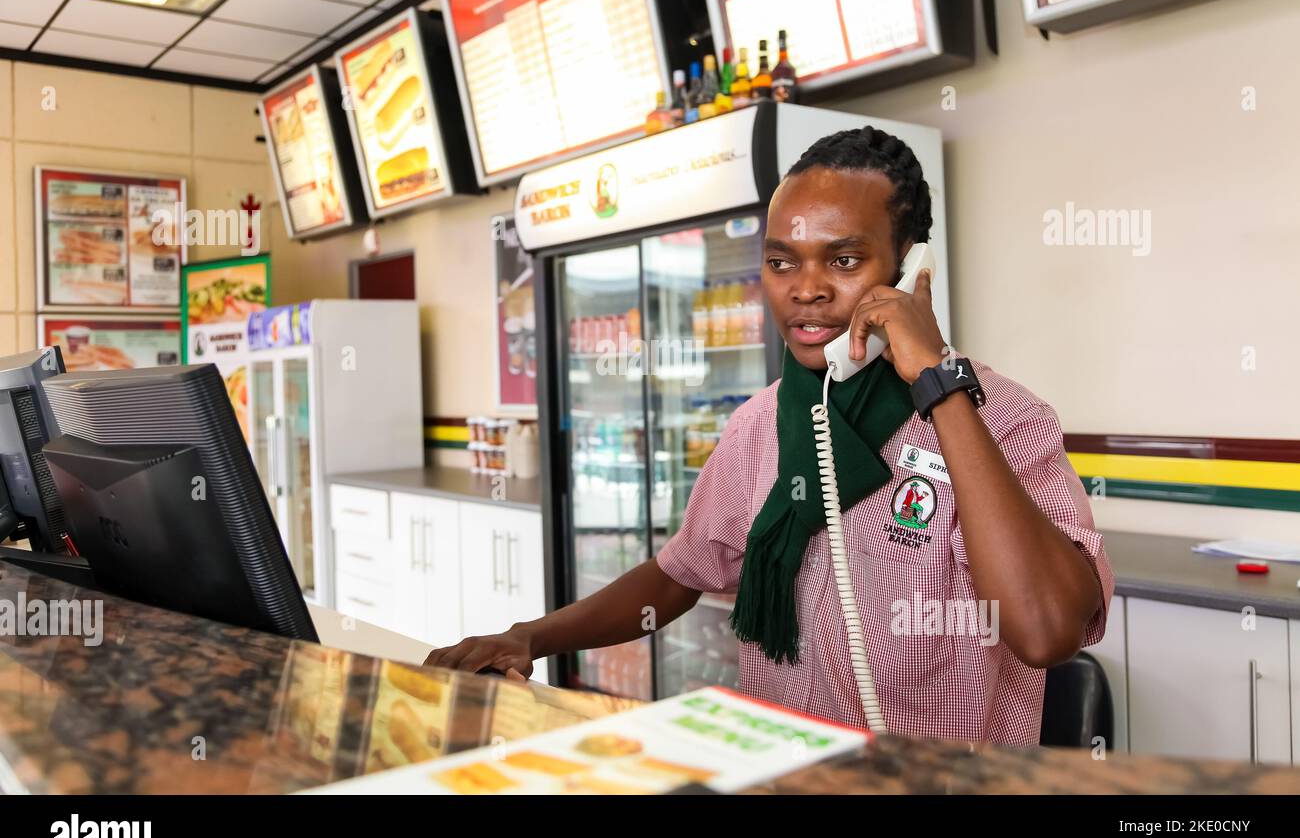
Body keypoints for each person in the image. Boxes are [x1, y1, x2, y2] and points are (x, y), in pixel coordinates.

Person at [427, 126, 1113, 744]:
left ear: (911, 266)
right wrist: (528, 638)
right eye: (782, 261)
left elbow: (1045, 629)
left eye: (842, 261)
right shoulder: (764, 423)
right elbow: (679, 575)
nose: (804, 289)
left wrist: (938, 382)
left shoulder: (1003, 419)